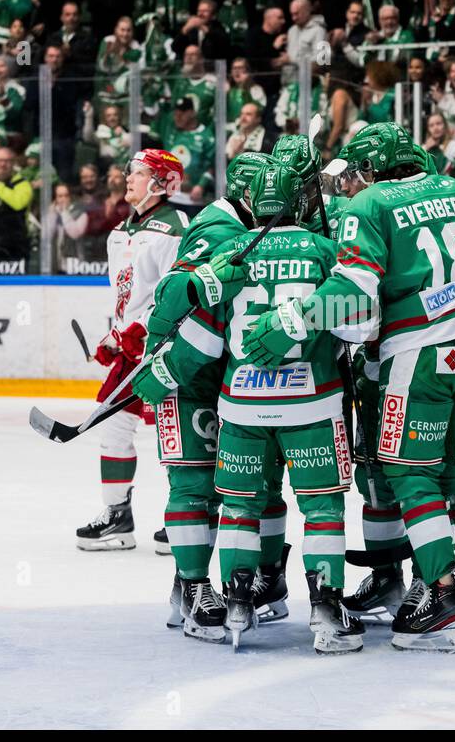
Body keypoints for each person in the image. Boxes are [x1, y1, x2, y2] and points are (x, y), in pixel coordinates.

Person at [242, 123, 455, 651]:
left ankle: (442, 599)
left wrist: (291, 323)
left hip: (419, 361)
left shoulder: (370, 204)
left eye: (356, 172)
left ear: (372, 169)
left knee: (413, 479)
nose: (349, 184)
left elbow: (352, 294)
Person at [133, 162, 364, 654]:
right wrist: (306, 321)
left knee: (239, 503)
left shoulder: (232, 250)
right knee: (320, 506)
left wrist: (166, 368)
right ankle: (322, 609)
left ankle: (238, 600)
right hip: (310, 403)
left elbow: (205, 336)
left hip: (239, 402)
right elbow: (359, 321)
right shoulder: (319, 249)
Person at [128, 151, 291, 642]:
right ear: (250, 192)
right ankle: (194, 587)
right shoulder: (216, 229)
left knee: (256, 484)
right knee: (195, 484)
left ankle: (261, 579)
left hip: (230, 378)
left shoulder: (266, 229)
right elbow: (172, 299)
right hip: (185, 375)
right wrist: (206, 281)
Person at [75, 149, 188, 553]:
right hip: (131, 351)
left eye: (137, 173)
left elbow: (178, 296)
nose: (128, 179)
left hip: (166, 349)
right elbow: (129, 300)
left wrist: (140, 333)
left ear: (161, 182)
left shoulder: (177, 230)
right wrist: (115, 337)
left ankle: (185, 520)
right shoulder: (119, 232)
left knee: (174, 436)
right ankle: (117, 518)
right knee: (114, 429)